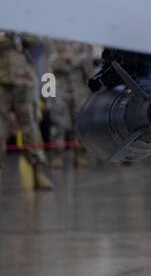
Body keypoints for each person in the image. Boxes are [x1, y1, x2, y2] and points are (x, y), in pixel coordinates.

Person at [0, 32, 54, 190]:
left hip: (24, 79)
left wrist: (18, 34)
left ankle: (38, 172)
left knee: (30, 125)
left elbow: (37, 40)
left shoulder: (20, 18)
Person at [44, 39, 97, 167]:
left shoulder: (83, 41)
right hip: (59, 88)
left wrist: (70, 59)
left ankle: (80, 154)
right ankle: (57, 154)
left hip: (80, 88)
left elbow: (88, 64)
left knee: (80, 123)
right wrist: (72, 60)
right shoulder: (53, 40)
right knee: (58, 123)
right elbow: (50, 63)